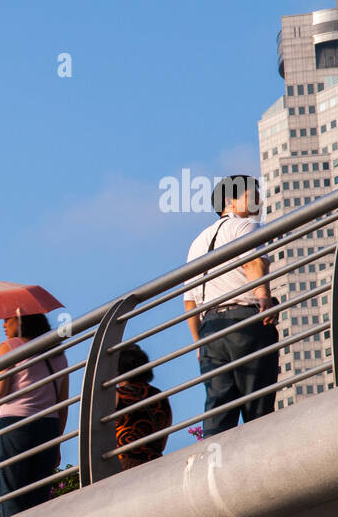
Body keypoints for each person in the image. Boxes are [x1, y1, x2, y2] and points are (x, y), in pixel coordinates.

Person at [183, 175, 279, 437]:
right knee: (257, 408)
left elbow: (189, 301)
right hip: (245, 324)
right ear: (229, 201)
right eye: (252, 194)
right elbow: (254, 264)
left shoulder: (197, 243)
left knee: (218, 412)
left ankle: (215, 468)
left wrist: (199, 344)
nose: (259, 200)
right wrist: (265, 300)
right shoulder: (245, 226)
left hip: (210, 331)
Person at [0, 311, 70, 517]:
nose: (3, 324)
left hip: (16, 426)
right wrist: (57, 442)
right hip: (48, 429)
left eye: (8, 318)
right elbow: (62, 404)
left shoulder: (10, 347)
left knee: (13, 495)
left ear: (21, 319)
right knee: (39, 499)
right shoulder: (58, 354)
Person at [113, 343, 173, 469]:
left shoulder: (118, 395)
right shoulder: (160, 396)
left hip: (124, 464)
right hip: (155, 464)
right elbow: (162, 443)